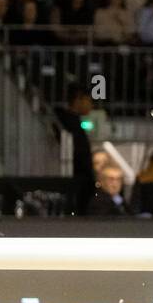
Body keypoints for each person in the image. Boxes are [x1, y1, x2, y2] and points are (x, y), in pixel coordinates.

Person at [55, 85, 95, 214]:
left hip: (78, 176)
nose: (91, 105)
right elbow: (79, 152)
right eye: (88, 100)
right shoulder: (70, 123)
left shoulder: (70, 121)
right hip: (77, 177)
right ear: (78, 99)